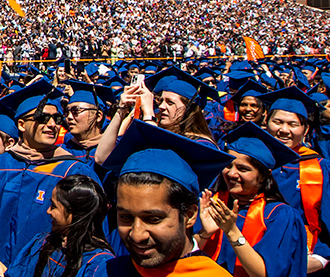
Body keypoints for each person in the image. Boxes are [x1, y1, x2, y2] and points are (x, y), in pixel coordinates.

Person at [0, 81, 97, 276]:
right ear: (21, 124)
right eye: (42, 117)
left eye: (57, 118)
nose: (52, 125)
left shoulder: (74, 172)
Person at [95, 120, 235, 277]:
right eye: (126, 217)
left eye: (153, 219)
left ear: (189, 215)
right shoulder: (106, 272)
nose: (137, 235)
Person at [196, 123, 307, 277]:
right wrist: (205, 233)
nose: (231, 174)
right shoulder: (211, 204)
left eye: (243, 169)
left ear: (264, 175)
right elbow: (185, 256)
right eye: (229, 166)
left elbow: (264, 274)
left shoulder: (278, 215)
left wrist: (231, 231)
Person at [261, 87, 330, 273]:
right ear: (266, 121)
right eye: (278, 122)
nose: (284, 130)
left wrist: (321, 257)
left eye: (293, 124)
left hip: (304, 255)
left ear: (305, 129)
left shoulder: (319, 167)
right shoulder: (252, 162)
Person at [5, 175, 113, 277]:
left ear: (74, 215)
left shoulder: (98, 265)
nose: (48, 211)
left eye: (54, 206)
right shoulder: (42, 244)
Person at [61, 82, 112, 160]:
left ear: (98, 116)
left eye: (76, 111)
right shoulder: (60, 152)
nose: (69, 117)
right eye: (67, 111)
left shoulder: (114, 153)